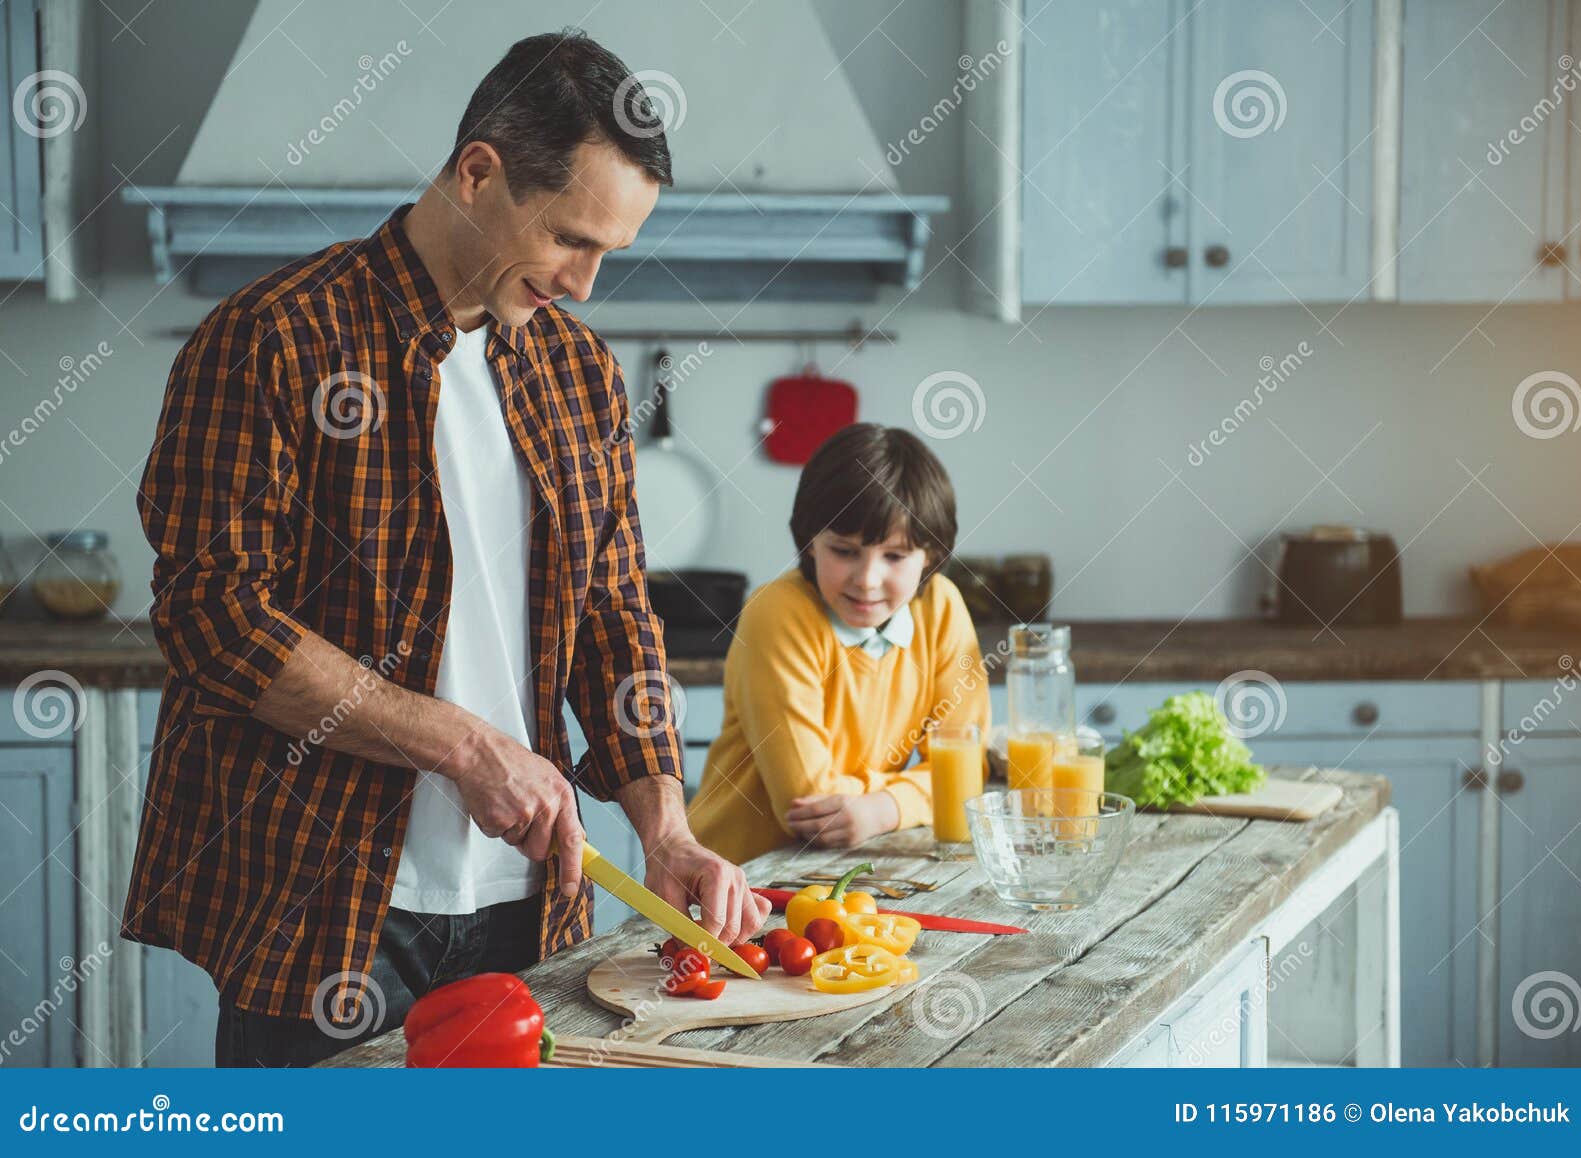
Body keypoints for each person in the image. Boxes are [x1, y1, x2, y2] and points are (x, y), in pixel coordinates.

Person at [122, 30, 768, 1068]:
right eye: (570, 239)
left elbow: (614, 612)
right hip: (325, 904)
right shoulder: (273, 340)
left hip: (532, 908)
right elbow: (212, 616)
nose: (587, 282)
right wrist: (463, 747)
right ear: (479, 173)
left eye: (609, 252)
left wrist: (665, 828)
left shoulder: (579, 374)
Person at [687, 423, 990, 864]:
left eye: (895, 556)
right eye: (844, 551)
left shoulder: (941, 606)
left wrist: (883, 809)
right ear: (810, 542)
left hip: (842, 872)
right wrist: (920, 790)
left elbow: (967, 770)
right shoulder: (777, 612)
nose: (867, 581)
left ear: (932, 555)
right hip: (732, 880)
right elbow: (809, 806)